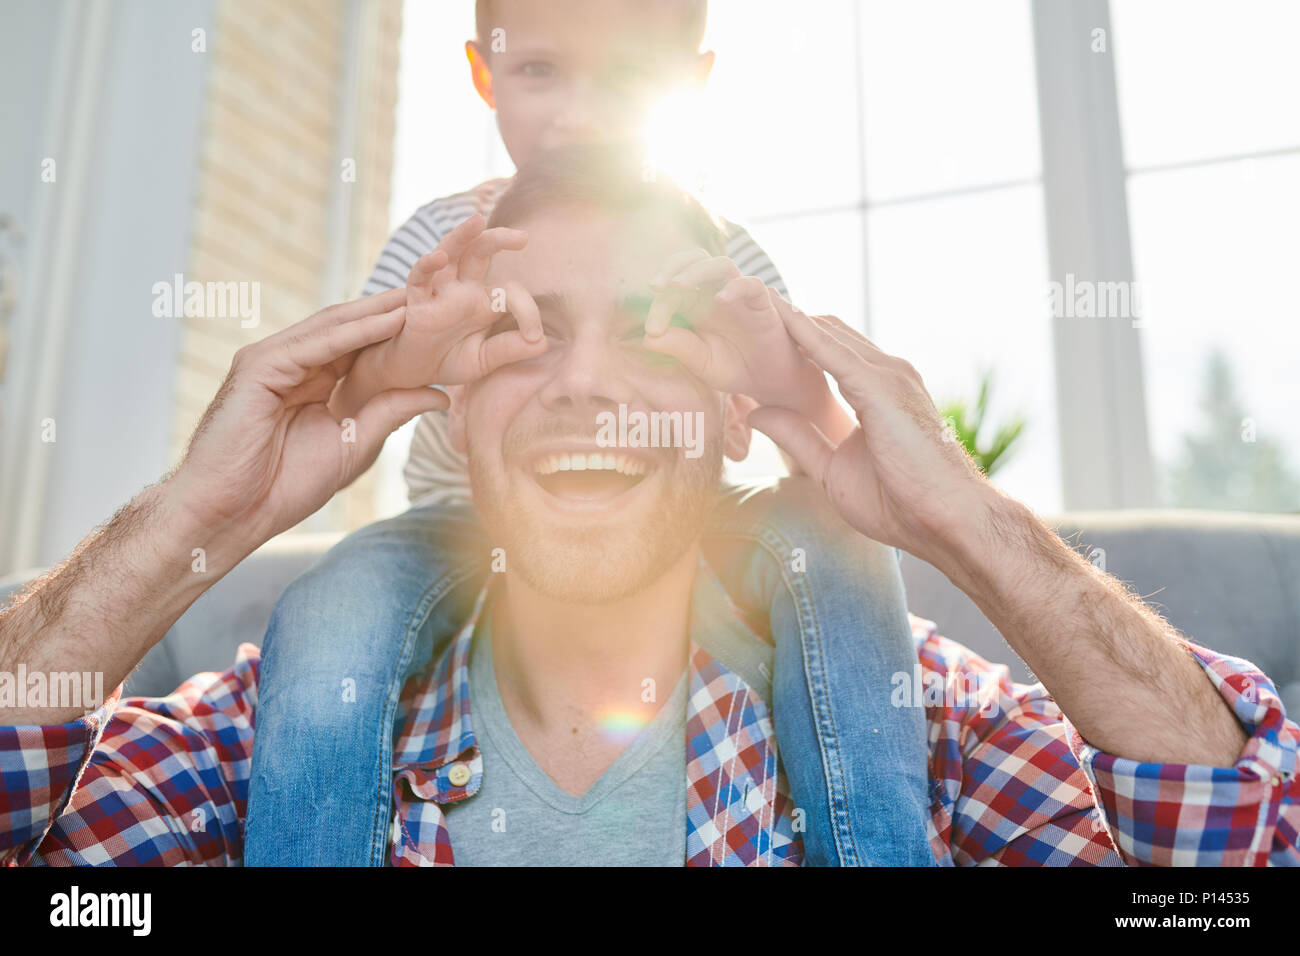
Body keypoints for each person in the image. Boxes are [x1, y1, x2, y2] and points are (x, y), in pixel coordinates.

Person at [2, 146, 1294, 867]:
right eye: (526, 333)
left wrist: (962, 513)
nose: (586, 388)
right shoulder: (285, 728)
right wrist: (196, 520)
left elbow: (1234, 859)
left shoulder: (908, 722)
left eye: (655, 334)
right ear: (456, 405)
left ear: (739, 410)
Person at [244, 0, 933, 866]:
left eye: (628, 77)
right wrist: (417, 351)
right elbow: (355, 402)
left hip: (693, 514)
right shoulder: (441, 236)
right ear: (483, 73)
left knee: (845, 550)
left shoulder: (725, 251)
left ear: (691, 85)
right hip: (460, 518)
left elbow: (815, 443)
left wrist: (820, 412)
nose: (581, 114)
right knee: (330, 606)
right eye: (541, 71)